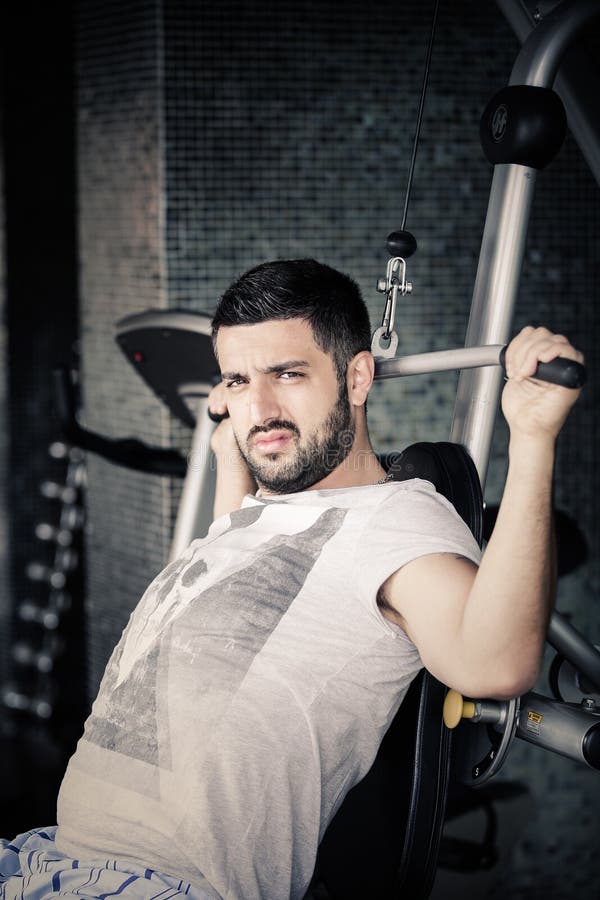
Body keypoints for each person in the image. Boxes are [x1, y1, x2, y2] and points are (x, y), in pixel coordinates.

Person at [0, 259, 583, 900]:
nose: (261, 407)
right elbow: (242, 597)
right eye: (238, 379)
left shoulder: (391, 520)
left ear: (357, 377)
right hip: (46, 861)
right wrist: (230, 453)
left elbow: (496, 662)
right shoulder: (257, 518)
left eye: (288, 374)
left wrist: (532, 437)